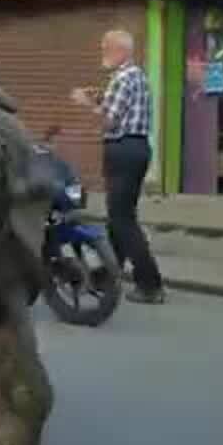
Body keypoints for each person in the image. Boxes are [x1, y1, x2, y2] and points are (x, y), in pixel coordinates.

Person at [70, 30, 165, 305]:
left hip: (123, 150)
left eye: (106, 48)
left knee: (123, 220)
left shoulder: (123, 78)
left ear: (121, 51)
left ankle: (150, 283)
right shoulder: (134, 76)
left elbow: (110, 122)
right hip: (134, 149)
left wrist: (86, 102)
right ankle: (109, 273)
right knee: (117, 218)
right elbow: (120, 109)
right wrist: (99, 97)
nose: (102, 53)